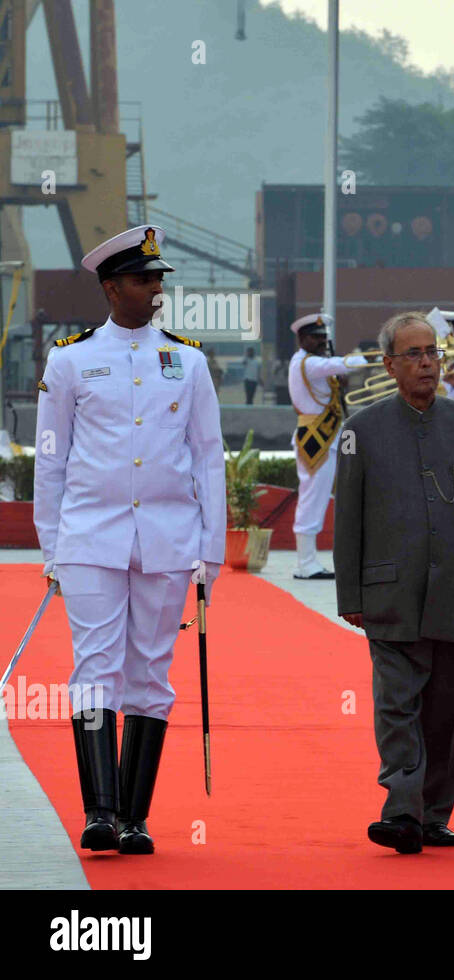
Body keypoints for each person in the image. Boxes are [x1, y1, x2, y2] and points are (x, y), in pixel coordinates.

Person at [33, 225, 225, 855]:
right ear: (112, 288)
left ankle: (136, 818)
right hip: (90, 536)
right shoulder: (70, 359)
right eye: (143, 279)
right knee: (95, 668)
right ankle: (100, 811)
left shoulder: (188, 360)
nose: (155, 289)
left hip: (168, 539)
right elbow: (51, 459)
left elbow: (208, 458)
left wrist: (212, 548)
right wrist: (52, 544)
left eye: (158, 279)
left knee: (150, 673)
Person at [334, 311, 454, 854]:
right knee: (396, 707)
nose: (426, 364)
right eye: (413, 355)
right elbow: (348, 522)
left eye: (432, 353)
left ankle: (434, 815)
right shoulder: (360, 431)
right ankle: (401, 811)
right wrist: (351, 595)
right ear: (389, 365)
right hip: (389, 594)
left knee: (446, 713)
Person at [288, 312, 369, 580]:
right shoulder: (307, 363)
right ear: (302, 338)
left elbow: (332, 376)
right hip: (315, 439)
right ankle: (305, 563)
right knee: (312, 498)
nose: (322, 341)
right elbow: (342, 364)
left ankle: (308, 561)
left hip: (326, 436)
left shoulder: (314, 362)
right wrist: (369, 356)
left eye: (324, 337)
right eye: (316, 337)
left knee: (317, 498)